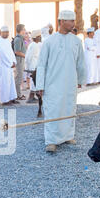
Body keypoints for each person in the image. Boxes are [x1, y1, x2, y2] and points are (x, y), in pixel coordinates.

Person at [35, 10, 86, 153]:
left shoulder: (76, 41)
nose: (73, 24)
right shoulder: (49, 42)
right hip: (52, 83)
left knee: (69, 107)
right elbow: (41, 64)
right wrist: (40, 84)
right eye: (71, 21)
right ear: (62, 21)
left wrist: (81, 79)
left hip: (70, 82)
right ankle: (51, 140)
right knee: (53, 110)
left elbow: (80, 62)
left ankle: (68, 136)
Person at [0, 26, 17, 105]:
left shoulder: (7, 41)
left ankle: (11, 98)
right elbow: (2, 54)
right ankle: (5, 100)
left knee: (10, 82)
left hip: (10, 65)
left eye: (8, 32)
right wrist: (10, 63)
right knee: (4, 83)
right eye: (5, 32)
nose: (7, 34)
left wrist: (14, 61)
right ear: (1, 33)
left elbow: (11, 52)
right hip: (4, 66)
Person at [24, 29, 42, 103]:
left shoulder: (36, 44)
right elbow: (28, 57)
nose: (41, 37)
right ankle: (30, 98)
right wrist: (28, 68)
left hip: (35, 66)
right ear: (36, 37)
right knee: (34, 82)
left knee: (34, 82)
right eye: (39, 36)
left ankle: (32, 97)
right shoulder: (33, 45)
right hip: (33, 66)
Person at [13, 24, 27, 101]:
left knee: (20, 77)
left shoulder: (21, 39)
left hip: (21, 59)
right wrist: (26, 56)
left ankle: (18, 93)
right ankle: (17, 95)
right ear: (21, 30)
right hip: (19, 60)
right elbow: (17, 52)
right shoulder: (18, 39)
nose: (25, 31)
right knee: (18, 77)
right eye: (24, 29)